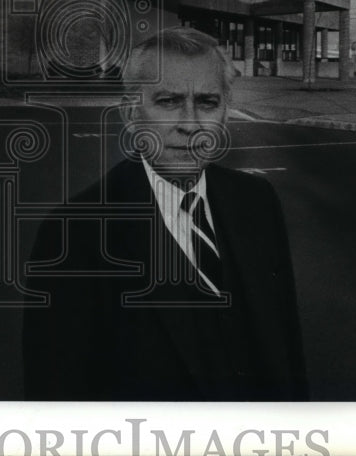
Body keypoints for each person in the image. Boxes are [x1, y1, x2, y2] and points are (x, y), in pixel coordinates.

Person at [22, 26, 308, 401]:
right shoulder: (74, 234)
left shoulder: (258, 200)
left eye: (207, 102)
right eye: (168, 101)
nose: (190, 124)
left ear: (226, 112)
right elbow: (57, 401)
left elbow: (287, 352)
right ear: (130, 114)